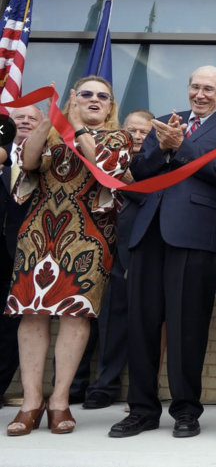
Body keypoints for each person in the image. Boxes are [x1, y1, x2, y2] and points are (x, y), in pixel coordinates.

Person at [110, 66, 216, 439]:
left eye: (208, 89)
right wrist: (164, 145)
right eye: (194, 87)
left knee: (188, 328)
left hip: (195, 237)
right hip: (149, 234)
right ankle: (141, 409)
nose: (199, 94)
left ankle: (186, 410)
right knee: (142, 326)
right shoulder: (166, 122)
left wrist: (181, 146)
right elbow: (140, 172)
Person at [5, 77, 133, 436]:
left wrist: (77, 126)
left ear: (110, 106)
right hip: (38, 233)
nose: (94, 100)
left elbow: (106, 170)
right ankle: (31, 403)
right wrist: (49, 121)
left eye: (102, 96)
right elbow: (28, 164)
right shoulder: (51, 136)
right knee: (32, 314)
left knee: (76, 317)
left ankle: (59, 401)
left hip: (88, 239)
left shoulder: (117, 138)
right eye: (85, 94)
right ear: (73, 98)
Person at [80, 109, 155, 411]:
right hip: (89, 244)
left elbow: (151, 196)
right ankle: (73, 385)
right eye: (132, 130)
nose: (137, 137)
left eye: (144, 133)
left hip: (127, 248)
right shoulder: (100, 156)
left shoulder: (154, 164)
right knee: (78, 316)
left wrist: (125, 177)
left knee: (115, 316)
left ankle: (104, 387)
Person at [0, 105, 44, 406]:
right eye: (19, 118)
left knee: (13, 325)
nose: (26, 122)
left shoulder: (49, 159)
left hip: (28, 252)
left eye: (33, 118)